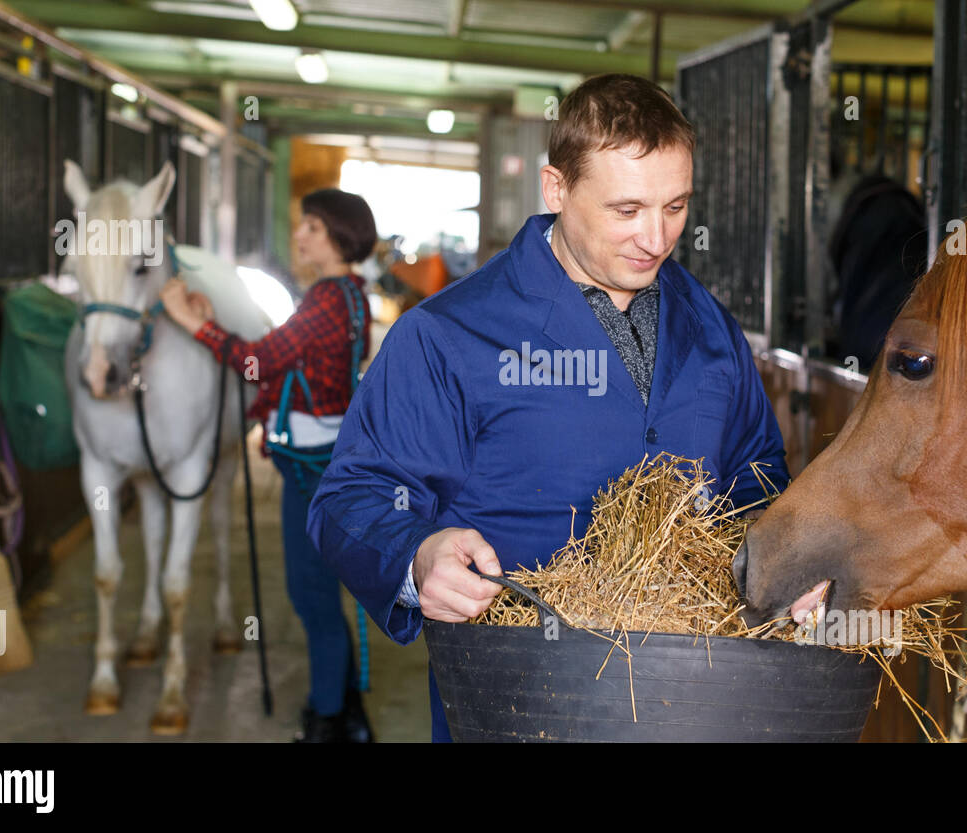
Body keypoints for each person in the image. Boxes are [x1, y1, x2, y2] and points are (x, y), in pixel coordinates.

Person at [307, 74, 791, 742]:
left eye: (675, 207)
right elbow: (349, 497)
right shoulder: (448, 336)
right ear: (556, 189)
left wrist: (779, 547)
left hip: (689, 706)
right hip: (516, 706)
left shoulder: (709, 327)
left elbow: (755, 467)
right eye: (626, 210)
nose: (657, 238)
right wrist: (417, 554)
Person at [159, 189, 377, 743]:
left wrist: (192, 325)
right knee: (321, 591)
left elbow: (260, 362)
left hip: (311, 469)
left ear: (337, 236)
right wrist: (215, 326)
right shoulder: (350, 294)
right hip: (326, 456)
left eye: (311, 227)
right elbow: (283, 352)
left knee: (311, 595)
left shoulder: (328, 298)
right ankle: (349, 713)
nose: (299, 235)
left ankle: (327, 719)